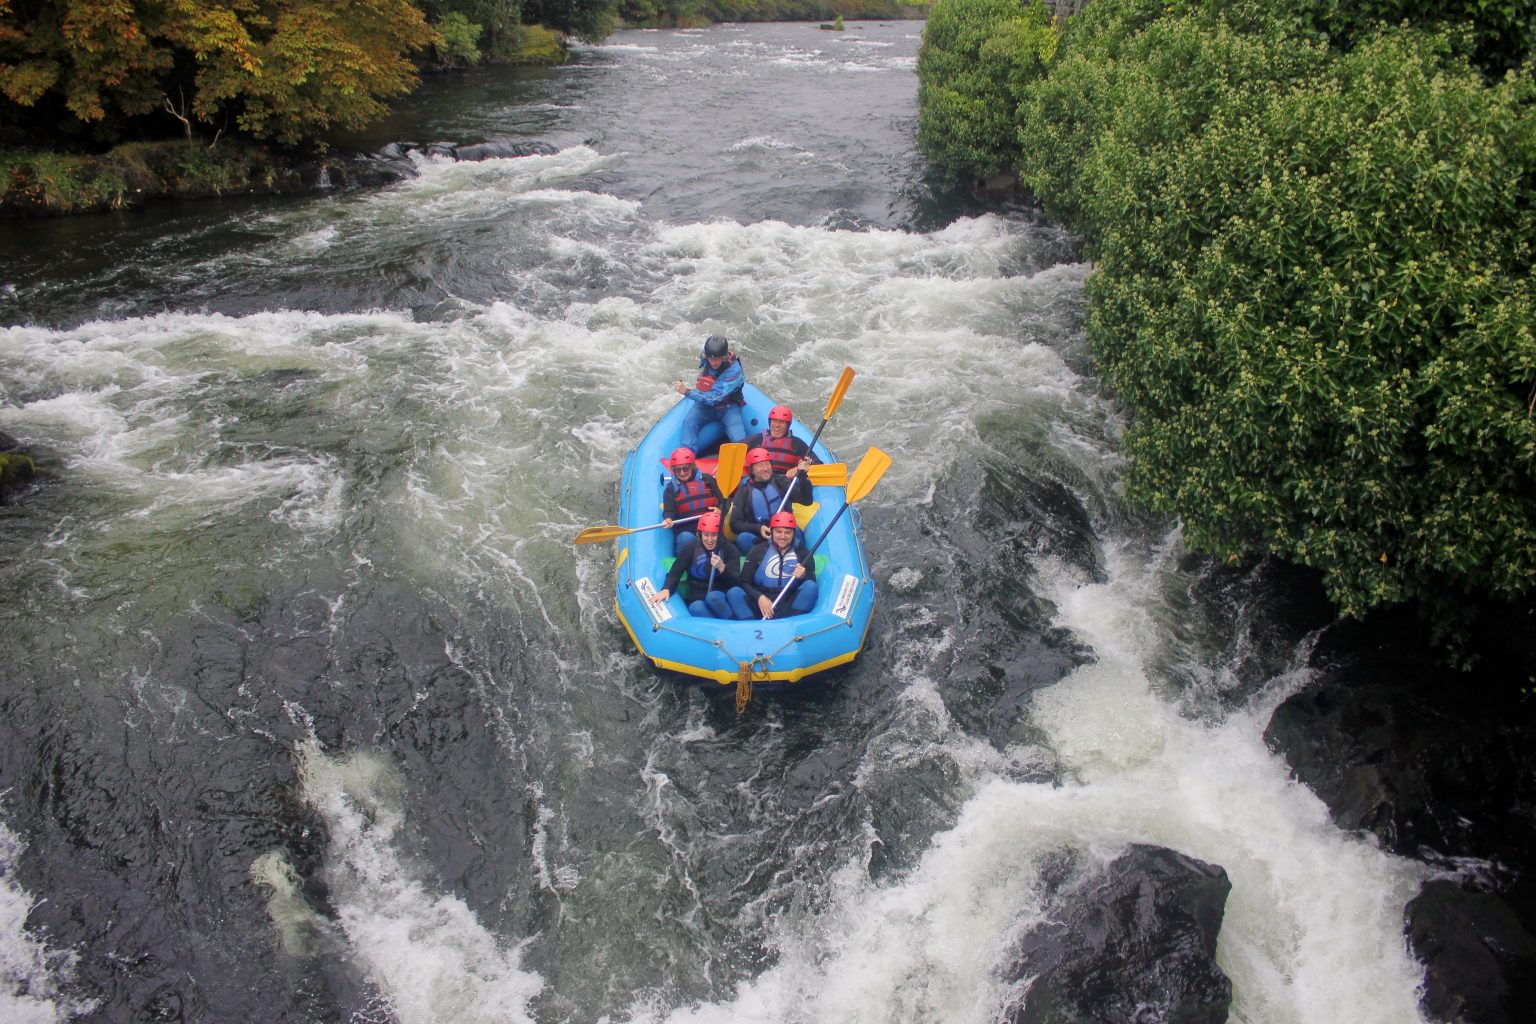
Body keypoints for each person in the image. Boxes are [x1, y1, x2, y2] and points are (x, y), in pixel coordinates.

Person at [651, 511, 751, 620]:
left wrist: (722, 568)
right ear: (700, 534)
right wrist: (666, 589)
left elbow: (736, 581)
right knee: (696, 608)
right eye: (706, 535)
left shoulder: (729, 549)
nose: (709, 540)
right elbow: (675, 573)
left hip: (721, 592)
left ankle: (731, 622)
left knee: (713, 597)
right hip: (698, 592)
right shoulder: (691, 548)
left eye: (714, 535)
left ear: (720, 534)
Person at [673, 335, 746, 454]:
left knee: (740, 442)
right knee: (689, 421)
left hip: (728, 407)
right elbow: (703, 370)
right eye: (711, 359)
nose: (713, 362)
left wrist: (687, 391)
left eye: (717, 359)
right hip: (705, 406)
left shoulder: (734, 371)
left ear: (724, 356)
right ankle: (687, 458)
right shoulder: (705, 356)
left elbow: (715, 398)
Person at [730, 446, 811, 554]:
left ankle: (795, 556)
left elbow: (806, 500)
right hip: (762, 537)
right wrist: (758, 529)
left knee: (796, 532)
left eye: (767, 464)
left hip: (784, 533)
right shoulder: (744, 491)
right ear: (752, 469)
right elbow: (735, 523)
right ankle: (761, 558)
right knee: (743, 539)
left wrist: (803, 477)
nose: (765, 468)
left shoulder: (780, 482)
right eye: (760, 465)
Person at [741, 511, 819, 619]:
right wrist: (759, 597)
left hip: (788, 602)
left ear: (794, 533)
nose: (783, 536)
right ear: (772, 532)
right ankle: (751, 627)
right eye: (778, 532)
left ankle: (790, 624)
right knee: (734, 593)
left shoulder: (803, 553)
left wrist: (804, 576)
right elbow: (744, 582)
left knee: (811, 586)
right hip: (762, 602)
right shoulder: (757, 551)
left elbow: (812, 579)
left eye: (788, 532)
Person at [660, 447, 722, 556]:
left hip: (711, 529)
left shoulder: (708, 480)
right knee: (686, 538)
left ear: (692, 466)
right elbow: (668, 511)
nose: (682, 473)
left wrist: (719, 509)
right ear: (673, 470)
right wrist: (668, 519)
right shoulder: (670, 489)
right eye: (678, 470)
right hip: (688, 531)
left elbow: (722, 502)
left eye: (685, 468)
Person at [744, 404, 818, 478]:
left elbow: (818, 463)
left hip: (783, 483)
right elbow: (735, 449)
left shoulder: (797, 444)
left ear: (787, 425)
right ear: (770, 422)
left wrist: (799, 468)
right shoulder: (757, 439)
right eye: (774, 421)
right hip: (760, 481)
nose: (777, 425)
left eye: (782, 422)